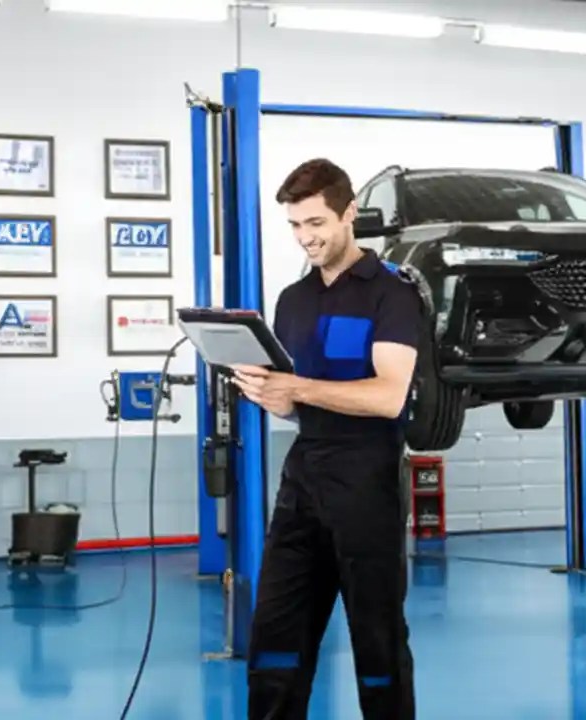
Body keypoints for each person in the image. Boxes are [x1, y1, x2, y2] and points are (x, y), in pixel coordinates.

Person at [230, 158, 421, 720]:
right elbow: (300, 401)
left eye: (315, 223)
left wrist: (300, 388)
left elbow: (389, 396)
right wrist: (277, 398)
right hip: (304, 477)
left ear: (349, 213)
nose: (305, 238)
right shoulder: (292, 301)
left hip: (369, 480)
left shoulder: (392, 293)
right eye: (294, 225)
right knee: (275, 638)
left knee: (377, 645)